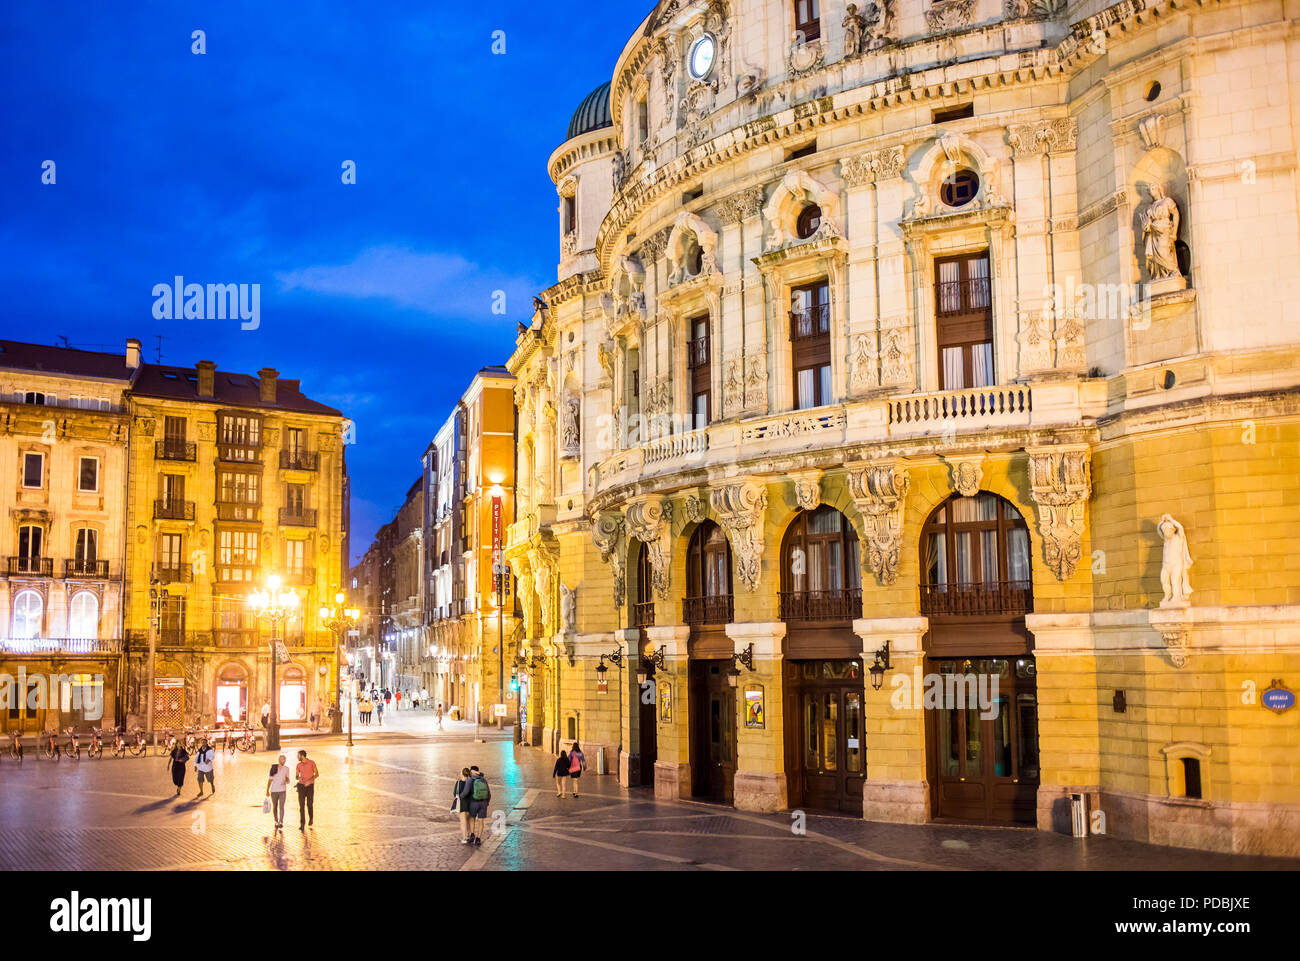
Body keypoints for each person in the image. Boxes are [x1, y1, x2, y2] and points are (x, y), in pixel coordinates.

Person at [459, 765, 490, 846]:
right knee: (481, 821)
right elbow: (489, 793)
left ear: (472, 771)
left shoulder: (470, 780)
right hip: (483, 803)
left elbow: (465, 792)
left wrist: (459, 797)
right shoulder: (483, 779)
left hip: (473, 802)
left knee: (471, 818)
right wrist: (487, 802)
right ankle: (478, 839)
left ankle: (472, 834)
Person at [295, 749, 319, 831]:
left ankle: (311, 818)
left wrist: (310, 781)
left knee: (309, 804)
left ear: (302, 756)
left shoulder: (312, 763)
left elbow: (317, 774)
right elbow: (296, 776)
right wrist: (299, 777)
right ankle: (302, 824)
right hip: (301, 786)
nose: (297, 757)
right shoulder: (298, 765)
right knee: (301, 806)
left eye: (298, 755)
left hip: (310, 786)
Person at [266, 754, 290, 830]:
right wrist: (267, 790)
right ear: (279, 760)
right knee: (275, 806)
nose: (284, 761)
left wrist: (287, 779)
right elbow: (270, 780)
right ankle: (276, 821)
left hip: (282, 790)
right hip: (274, 791)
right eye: (282, 759)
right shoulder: (274, 768)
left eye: (285, 759)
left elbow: (288, 781)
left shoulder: (286, 769)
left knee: (281, 806)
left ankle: (281, 821)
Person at [453, 767, 472, 844]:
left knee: (463, 823)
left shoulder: (458, 783)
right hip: (470, 804)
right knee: (470, 822)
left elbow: (455, 794)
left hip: (462, 805)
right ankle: (470, 836)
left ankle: (464, 838)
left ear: (462, 774)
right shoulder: (471, 782)